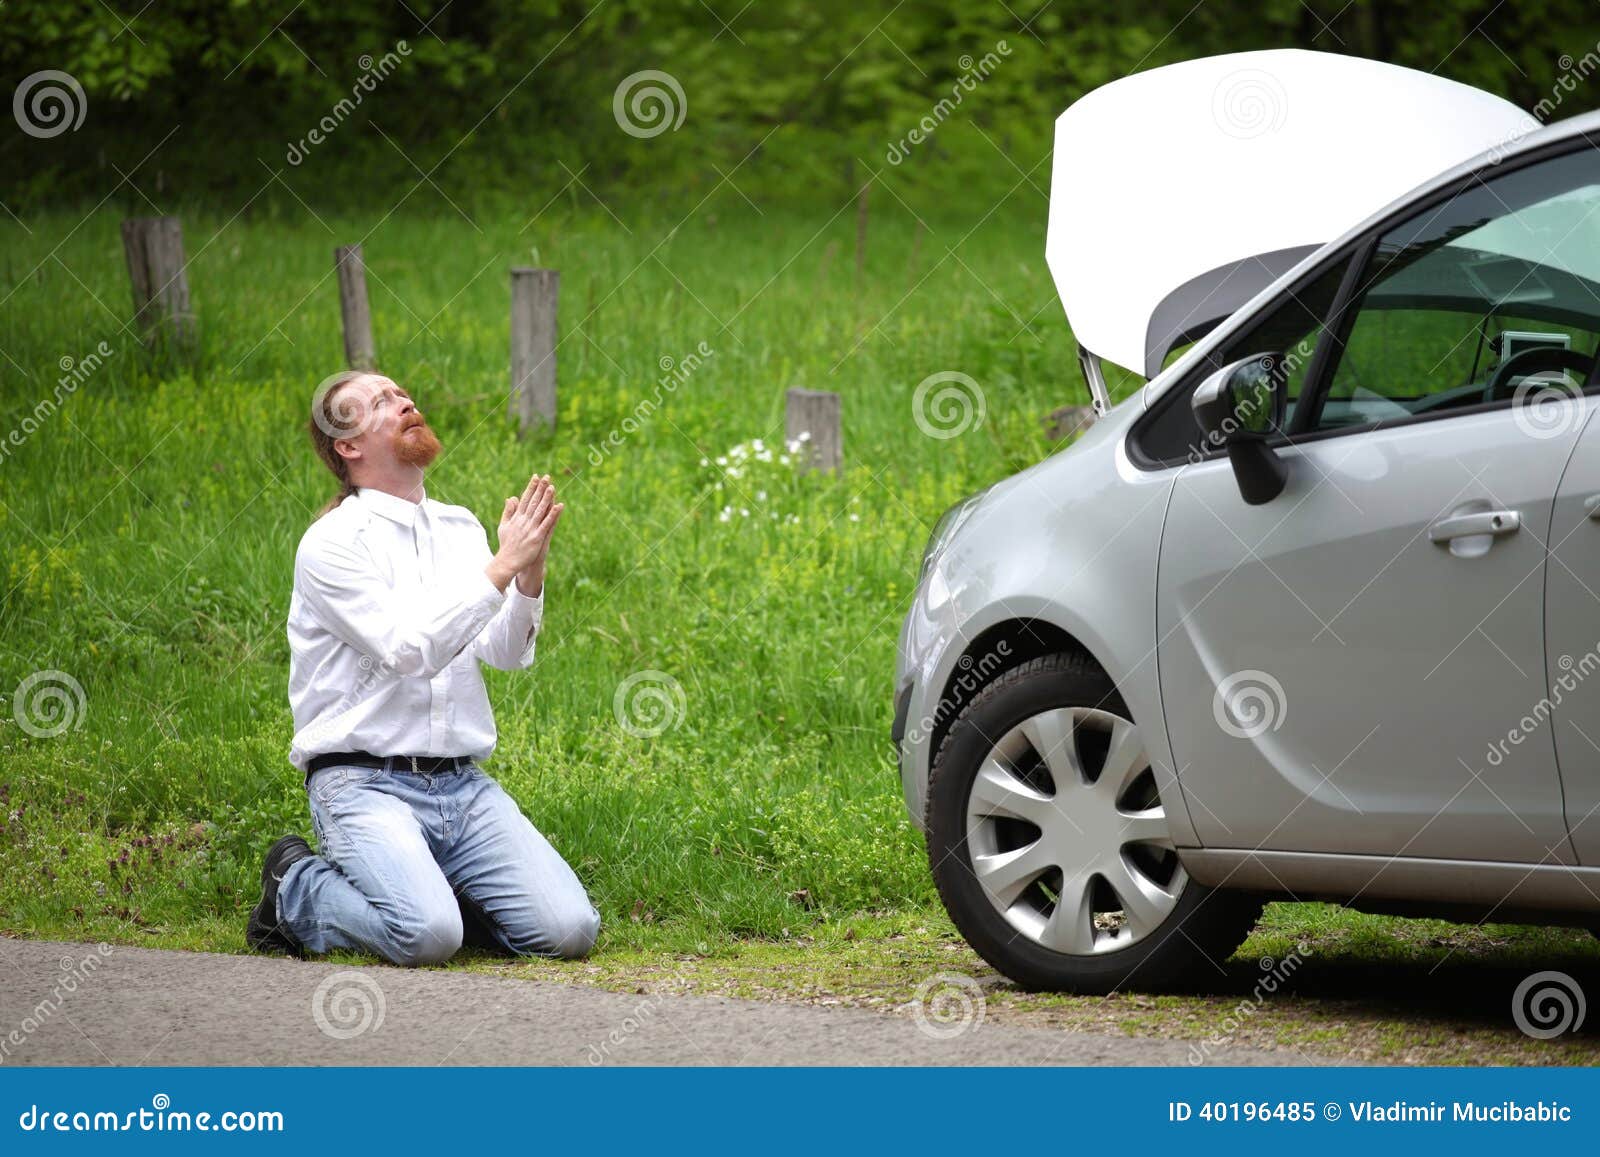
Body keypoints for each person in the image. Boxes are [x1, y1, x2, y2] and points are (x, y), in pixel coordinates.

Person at [246, 370, 599, 966]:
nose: (405, 401)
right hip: (360, 783)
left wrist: (529, 572)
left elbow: (508, 653)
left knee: (569, 932)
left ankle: (439, 891)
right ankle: (295, 887)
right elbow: (409, 652)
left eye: (402, 393)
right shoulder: (332, 543)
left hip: (461, 785)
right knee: (427, 937)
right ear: (348, 446)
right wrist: (499, 567)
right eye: (380, 402)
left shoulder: (457, 527)